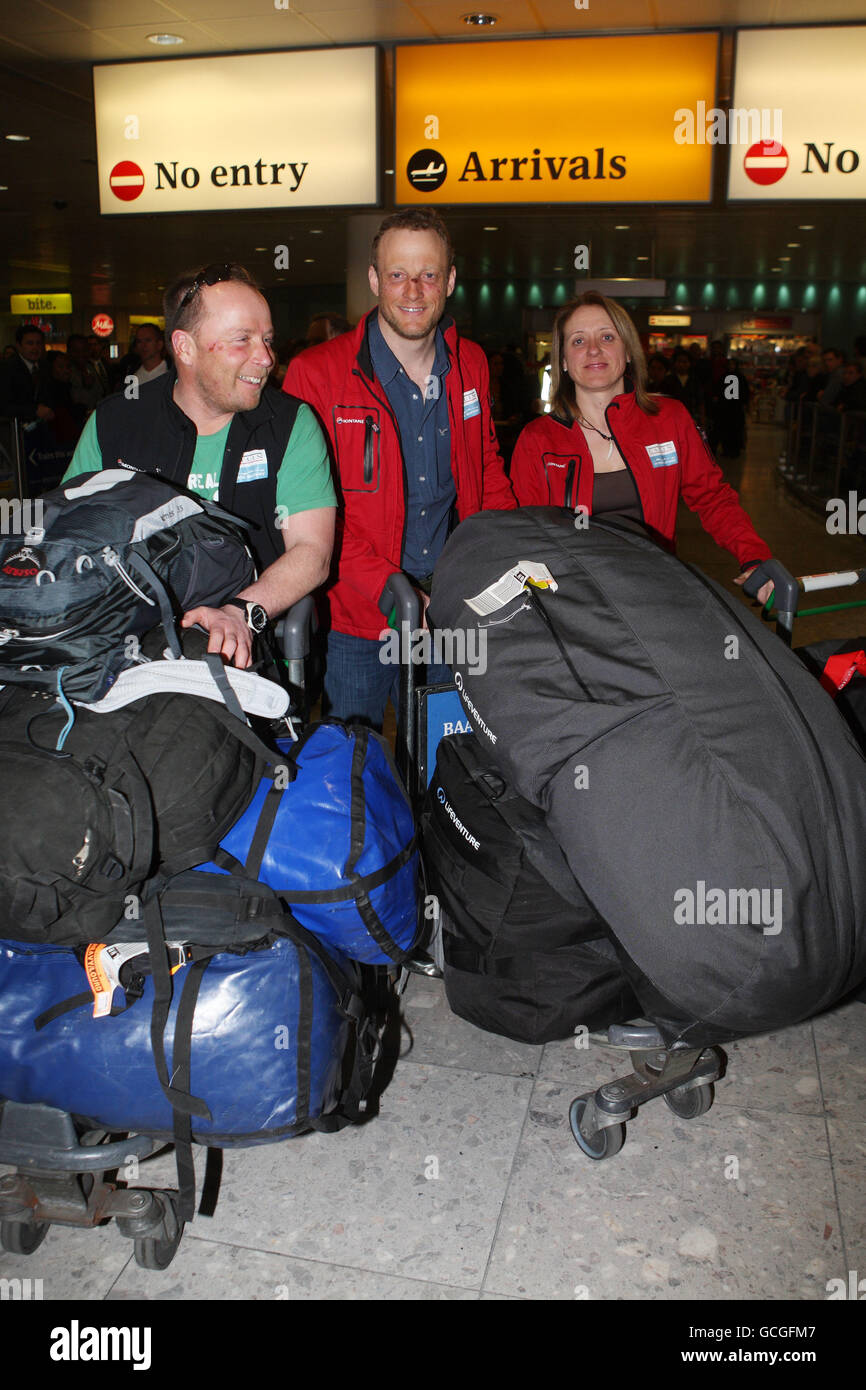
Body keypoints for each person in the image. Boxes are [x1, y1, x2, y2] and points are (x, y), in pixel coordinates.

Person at [285, 207, 516, 728]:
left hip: (453, 610)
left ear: (449, 281)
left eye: (428, 274)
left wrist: (506, 551)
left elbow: (485, 468)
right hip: (358, 617)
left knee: (447, 759)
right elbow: (302, 508)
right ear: (374, 280)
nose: (413, 290)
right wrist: (388, 587)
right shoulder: (316, 375)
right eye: (397, 275)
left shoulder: (471, 364)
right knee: (352, 763)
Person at [63, 262, 336, 670]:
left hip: (244, 650)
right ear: (185, 347)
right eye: (241, 340)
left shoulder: (289, 423)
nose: (265, 357)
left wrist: (241, 611)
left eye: (266, 339)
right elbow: (72, 538)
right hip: (127, 648)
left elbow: (312, 551)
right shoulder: (116, 421)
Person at [509, 292, 774, 606]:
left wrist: (755, 557)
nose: (594, 349)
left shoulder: (669, 419)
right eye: (579, 341)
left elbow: (712, 497)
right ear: (563, 360)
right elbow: (525, 533)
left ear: (629, 351)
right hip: (573, 603)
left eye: (607, 336)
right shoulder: (537, 439)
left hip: (655, 595)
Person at [0, 324, 52, 423]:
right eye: (30, 343)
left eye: (38, 343)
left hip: (42, 426)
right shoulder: (6, 368)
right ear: (19, 346)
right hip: (15, 428)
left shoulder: (46, 367)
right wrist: (34, 410)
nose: (35, 348)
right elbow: (4, 405)